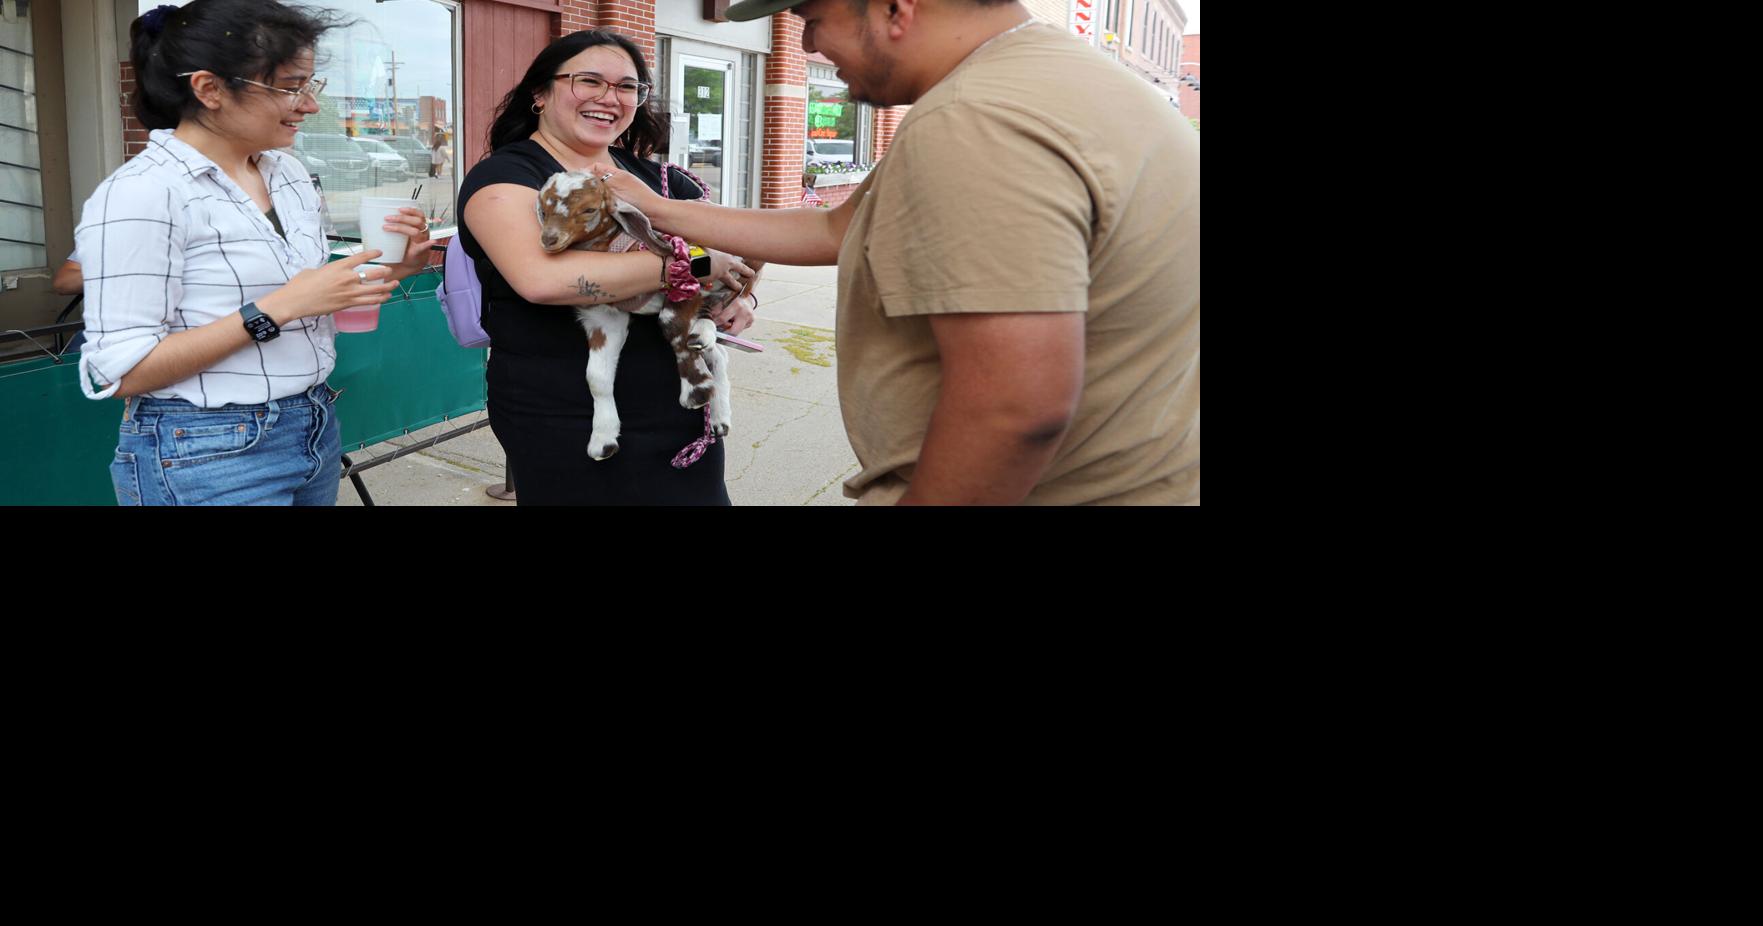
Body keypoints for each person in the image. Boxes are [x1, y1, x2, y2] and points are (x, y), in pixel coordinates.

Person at [596, 0, 1200, 505]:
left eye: (813, 16)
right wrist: (663, 208)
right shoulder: (1064, 79)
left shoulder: (975, 119)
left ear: (895, 7)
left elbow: (1012, 408)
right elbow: (837, 229)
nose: (806, 41)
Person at [76, 0, 432, 505]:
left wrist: (401, 264)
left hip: (312, 423)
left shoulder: (284, 172)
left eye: (311, 85)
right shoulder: (142, 193)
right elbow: (121, 372)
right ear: (209, 88)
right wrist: (278, 308)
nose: (309, 105)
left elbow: (310, 292)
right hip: (204, 447)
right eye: (290, 87)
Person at [458, 29, 759, 505]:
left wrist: (739, 299)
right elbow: (542, 280)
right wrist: (691, 265)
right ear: (539, 93)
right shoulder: (506, 177)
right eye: (588, 81)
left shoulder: (656, 178)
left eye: (626, 86)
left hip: (678, 409)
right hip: (567, 419)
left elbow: (734, 254)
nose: (608, 98)